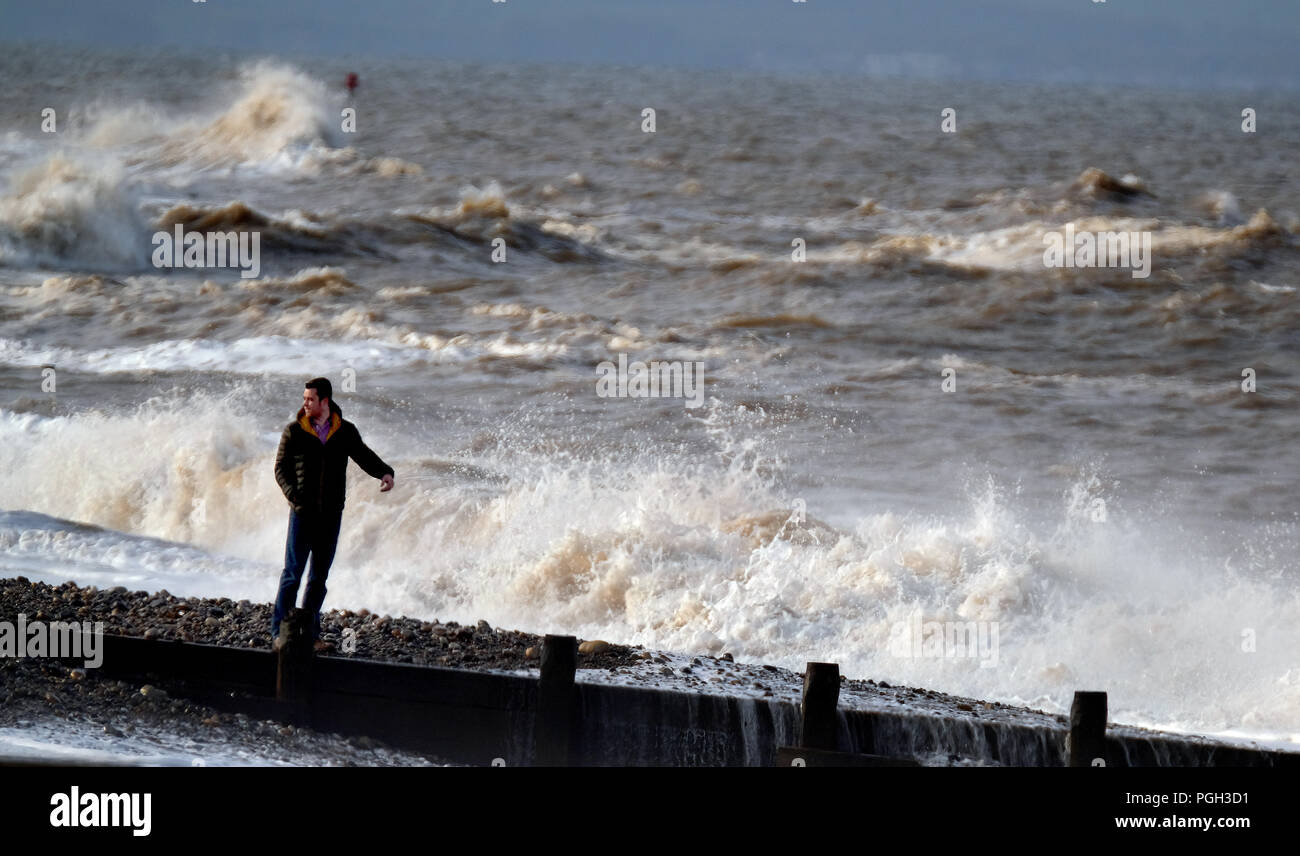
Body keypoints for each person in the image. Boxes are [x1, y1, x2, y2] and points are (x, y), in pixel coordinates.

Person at [272, 377, 393, 652]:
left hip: (330, 515)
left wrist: (385, 472)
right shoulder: (295, 431)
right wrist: (295, 496)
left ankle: (310, 635)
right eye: (304, 399)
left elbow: (363, 455)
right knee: (292, 574)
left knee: (318, 578)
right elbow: (280, 468)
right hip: (302, 514)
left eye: (310, 399)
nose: (305, 403)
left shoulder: (344, 431)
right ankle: (279, 633)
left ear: (324, 401)